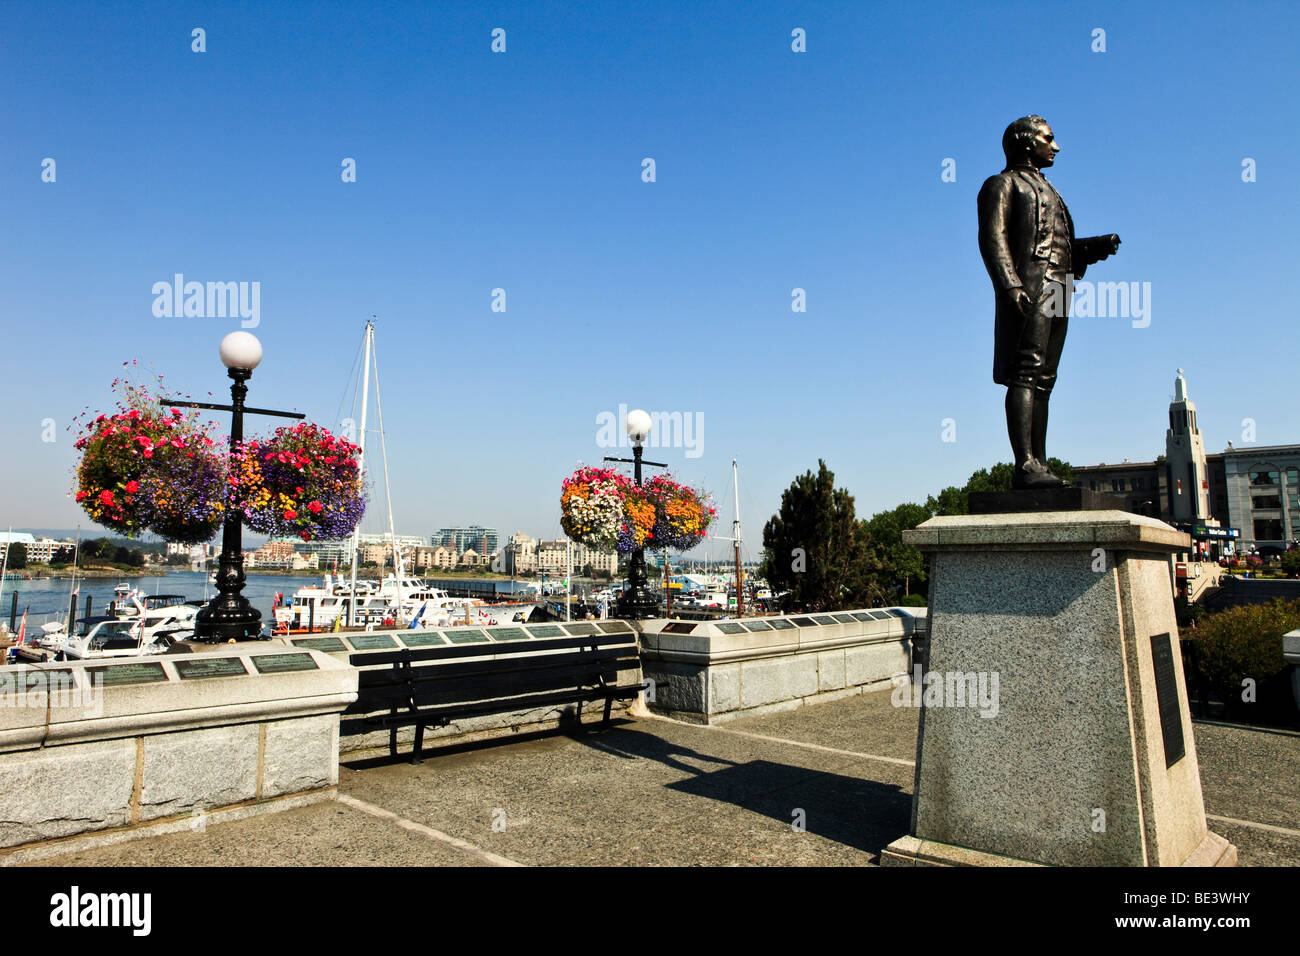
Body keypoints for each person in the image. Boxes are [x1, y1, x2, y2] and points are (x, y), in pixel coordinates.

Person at [977, 116, 1121, 489]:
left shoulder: (1050, 189)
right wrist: (1010, 287)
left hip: (1060, 289)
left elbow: (1062, 245)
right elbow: (993, 238)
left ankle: (1040, 462)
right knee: (1026, 371)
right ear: (1027, 142)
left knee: (1046, 379)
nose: (1055, 146)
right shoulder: (1001, 185)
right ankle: (1024, 464)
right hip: (1030, 288)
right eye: (1049, 139)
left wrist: (1094, 247)